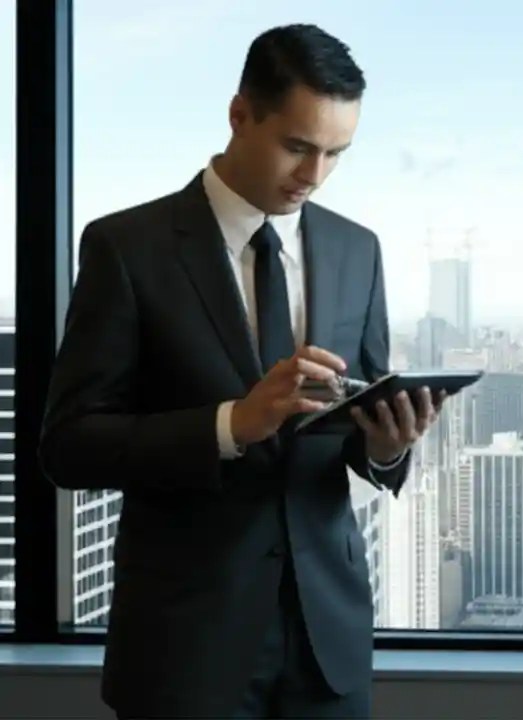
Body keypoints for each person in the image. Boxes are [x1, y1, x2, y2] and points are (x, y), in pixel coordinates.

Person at [38, 23, 436, 719]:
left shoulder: (356, 249)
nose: (313, 176)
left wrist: (385, 448)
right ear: (239, 115)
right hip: (185, 647)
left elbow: (361, 413)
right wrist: (232, 425)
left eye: (336, 154)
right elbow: (68, 445)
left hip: (326, 643)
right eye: (297, 146)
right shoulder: (127, 249)